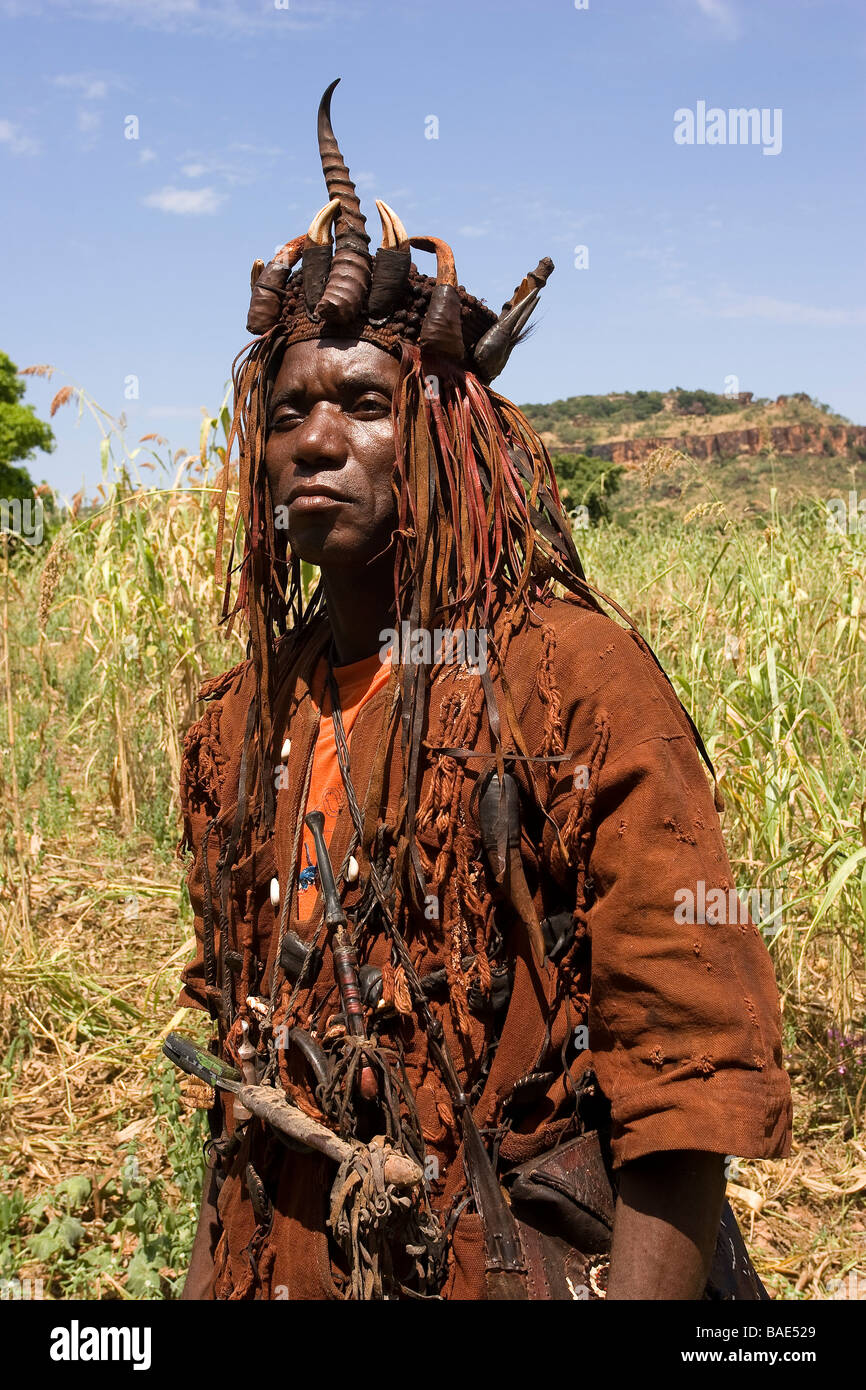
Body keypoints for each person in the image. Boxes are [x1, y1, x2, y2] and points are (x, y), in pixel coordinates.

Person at [176, 80, 791, 1301]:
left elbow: (681, 1068)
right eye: (289, 408)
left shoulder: (566, 681)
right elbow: (227, 997)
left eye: (362, 402)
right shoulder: (237, 722)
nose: (315, 438)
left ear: (439, 434)